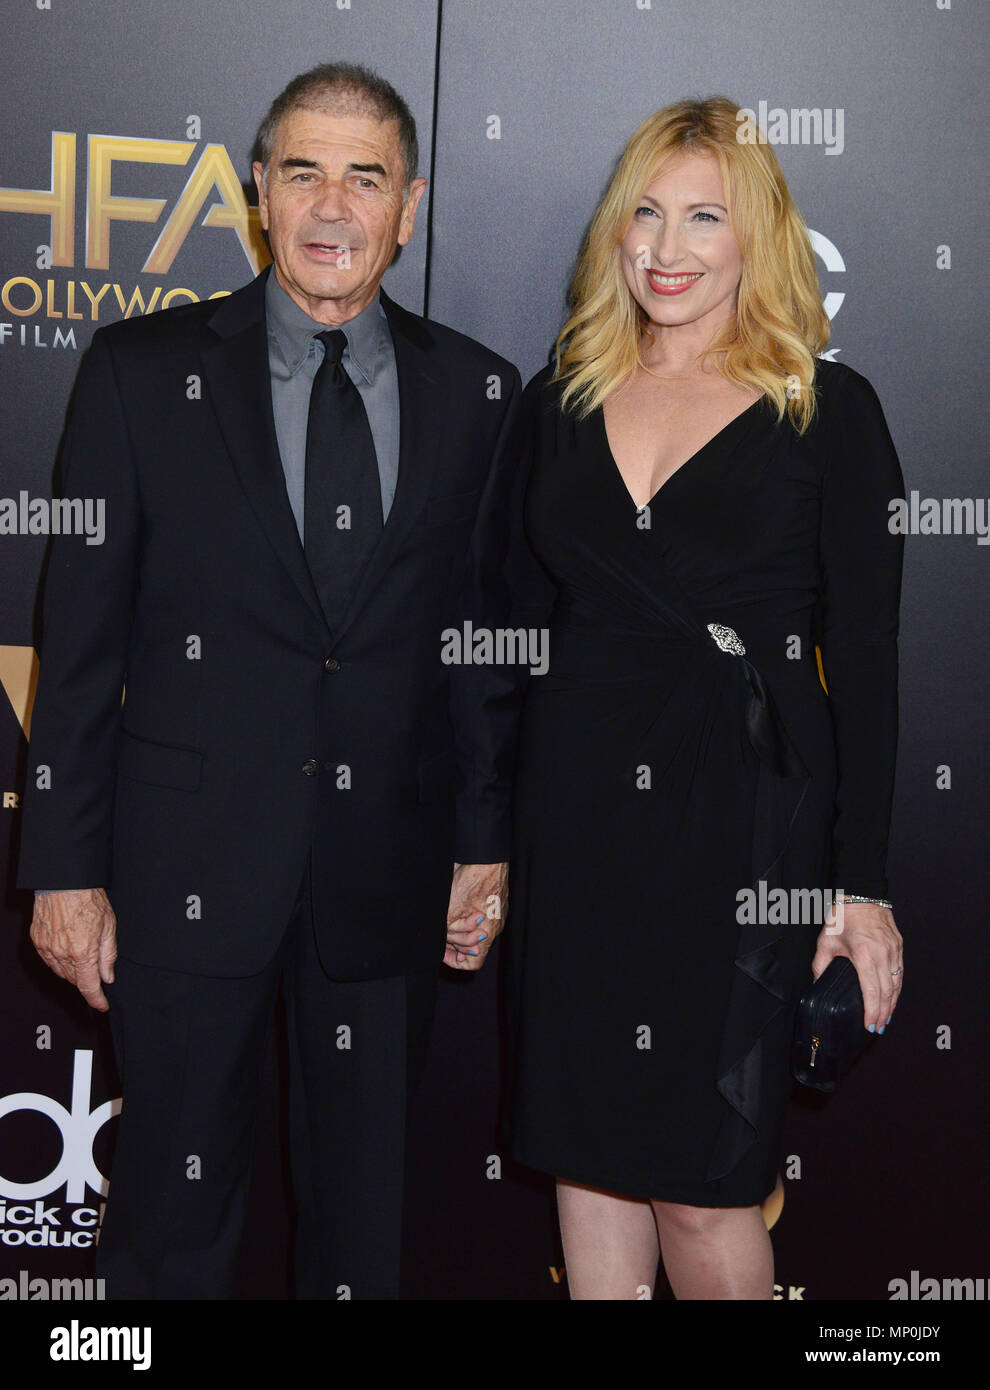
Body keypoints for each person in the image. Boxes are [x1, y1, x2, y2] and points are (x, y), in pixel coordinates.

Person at [17, 61, 519, 1300]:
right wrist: (62, 867)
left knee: (364, 1228)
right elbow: (76, 643)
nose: (332, 206)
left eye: (366, 177)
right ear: (258, 193)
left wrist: (483, 838)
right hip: (184, 867)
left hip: (387, 878)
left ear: (411, 205)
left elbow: (481, 641)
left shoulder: (478, 391)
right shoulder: (141, 372)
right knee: (167, 1232)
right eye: (303, 172)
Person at [501, 96, 905, 1300]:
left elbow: (870, 671)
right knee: (589, 1170)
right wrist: (483, 843)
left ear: (756, 238)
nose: (668, 248)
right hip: (576, 826)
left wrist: (861, 885)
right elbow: (508, 636)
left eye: (703, 218)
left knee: (707, 1187)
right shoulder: (557, 401)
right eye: (646, 212)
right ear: (615, 231)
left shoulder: (827, 413)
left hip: (742, 834)